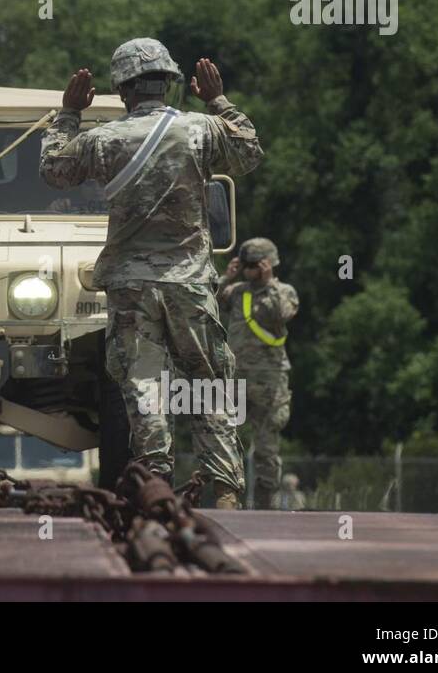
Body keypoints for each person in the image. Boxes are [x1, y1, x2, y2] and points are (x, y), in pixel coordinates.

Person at [40, 39, 263, 508]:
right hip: (190, 283)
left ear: (122, 90)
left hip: (131, 285)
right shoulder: (201, 129)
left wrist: (68, 113)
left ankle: (155, 488)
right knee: (208, 384)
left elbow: (54, 170)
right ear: (170, 84)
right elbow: (249, 154)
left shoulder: (104, 141)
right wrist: (219, 101)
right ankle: (224, 492)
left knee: (145, 387)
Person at [218, 237, 299, 509]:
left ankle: (265, 505)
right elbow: (211, 299)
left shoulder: (284, 291)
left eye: (254, 265)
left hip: (269, 381)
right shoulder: (238, 291)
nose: (249, 270)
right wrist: (226, 277)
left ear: (268, 264)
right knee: (225, 439)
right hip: (236, 379)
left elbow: (282, 315)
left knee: (266, 448)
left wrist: (267, 283)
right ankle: (228, 498)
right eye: (246, 265)